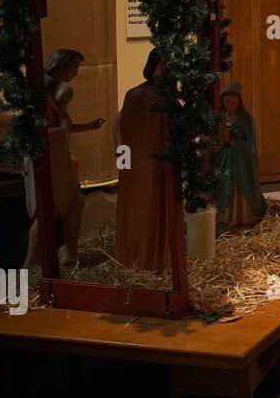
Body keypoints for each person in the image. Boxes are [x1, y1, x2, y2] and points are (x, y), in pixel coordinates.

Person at [23, 48, 105, 271]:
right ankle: (30, 264)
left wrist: (88, 126)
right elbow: (37, 133)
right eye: (74, 67)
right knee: (46, 210)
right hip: (45, 156)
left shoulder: (55, 91)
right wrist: (62, 129)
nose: (76, 72)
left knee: (75, 203)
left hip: (58, 155)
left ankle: (70, 254)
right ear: (61, 64)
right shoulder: (42, 91)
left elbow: (62, 128)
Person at [115, 48, 173, 272]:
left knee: (146, 207)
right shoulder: (145, 96)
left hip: (144, 163)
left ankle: (146, 258)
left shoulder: (138, 94)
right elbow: (121, 124)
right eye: (165, 64)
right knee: (145, 207)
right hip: (146, 163)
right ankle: (147, 259)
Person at [213, 82, 267, 229]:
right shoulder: (219, 118)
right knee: (224, 184)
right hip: (223, 158)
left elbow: (250, 142)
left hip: (240, 160)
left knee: (241, 184)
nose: (230, 105)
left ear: (239, 102)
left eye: (234, 102)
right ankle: (225, 217)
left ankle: (243, 216)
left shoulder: (246, 119)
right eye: (227, 101)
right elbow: (213, 139)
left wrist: (234, 141)